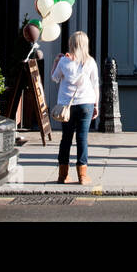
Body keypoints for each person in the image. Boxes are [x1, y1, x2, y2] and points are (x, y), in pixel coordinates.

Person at [51, 31, 100, 184]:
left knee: (66, 138)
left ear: (71, 44)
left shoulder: (64, 62)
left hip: (67, 105)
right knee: (82, 138)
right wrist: (96, 104)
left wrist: (55, 61)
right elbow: (95, 84)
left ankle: (63, 174)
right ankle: (82, 175)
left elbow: (54, 78)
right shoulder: (90, 62)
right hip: (86, 103)